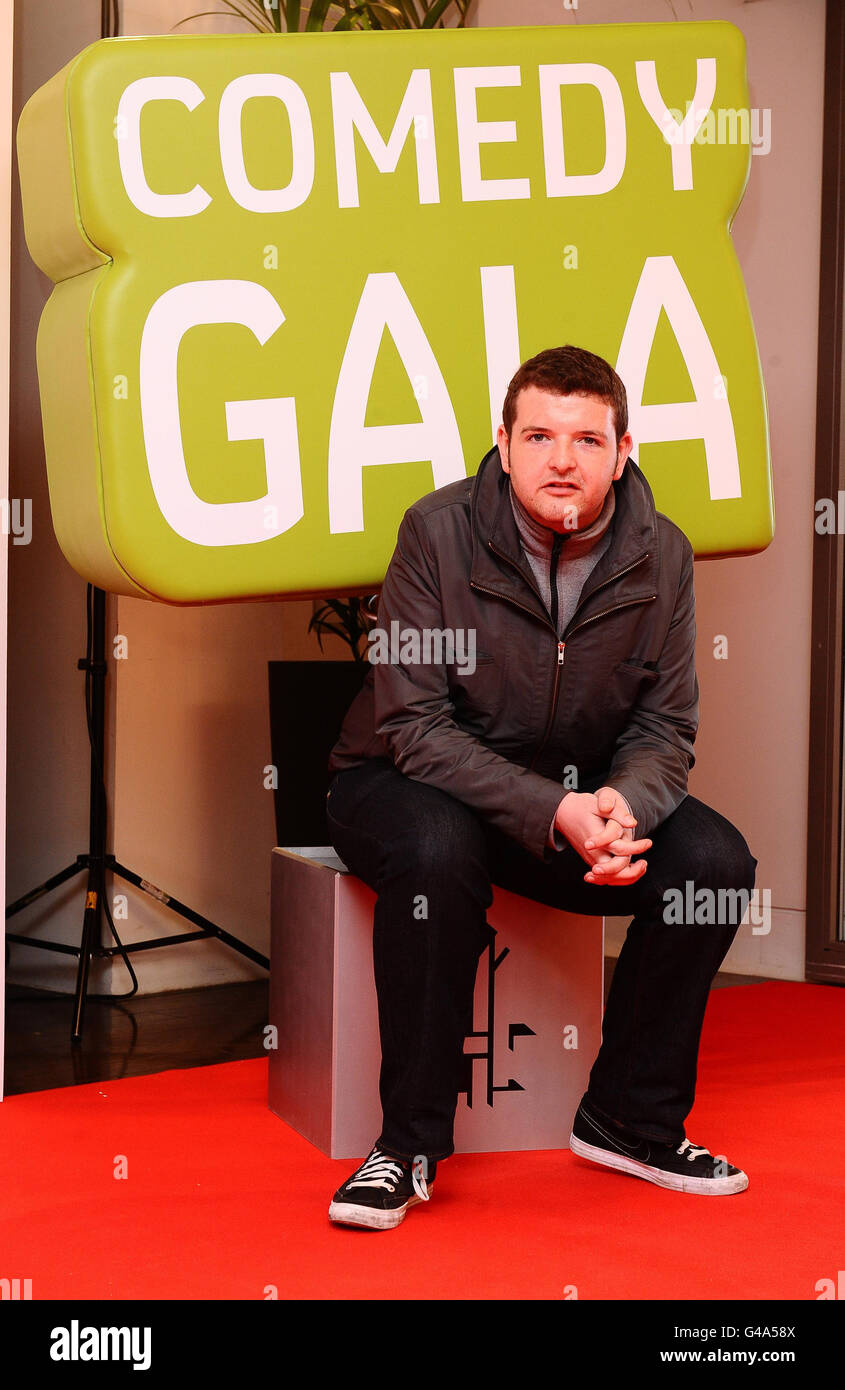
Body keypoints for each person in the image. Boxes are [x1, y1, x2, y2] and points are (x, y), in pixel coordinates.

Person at [324, 345, 758, 1231]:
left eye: (587, 440)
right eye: (540, 436)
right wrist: (553, 811)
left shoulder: (661, 555)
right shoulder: (434, 533)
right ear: (503, 442)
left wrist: (622, 807)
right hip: (399, 778)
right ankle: (405, 1145)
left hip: (573, 792)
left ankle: (629, 1119)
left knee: (714, 863)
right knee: (439, 850)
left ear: (623, 450)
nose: (562, 460)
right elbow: (412, 724)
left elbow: (663, 727)